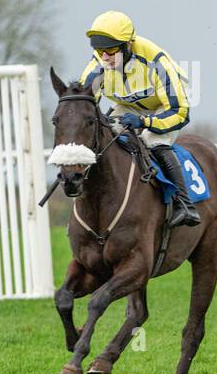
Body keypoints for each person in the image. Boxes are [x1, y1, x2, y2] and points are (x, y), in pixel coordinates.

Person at [78, 11, 201, 225]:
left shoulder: (157, 62)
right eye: (99, 51)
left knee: (153, 140)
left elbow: (179, 112)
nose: (104, 58)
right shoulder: (99, 64)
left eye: (110, 50)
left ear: (128, 45)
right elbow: (84, 100)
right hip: (128, 105)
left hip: (168, 105)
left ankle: (185, 204)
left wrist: (146, 122)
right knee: (107, 136)